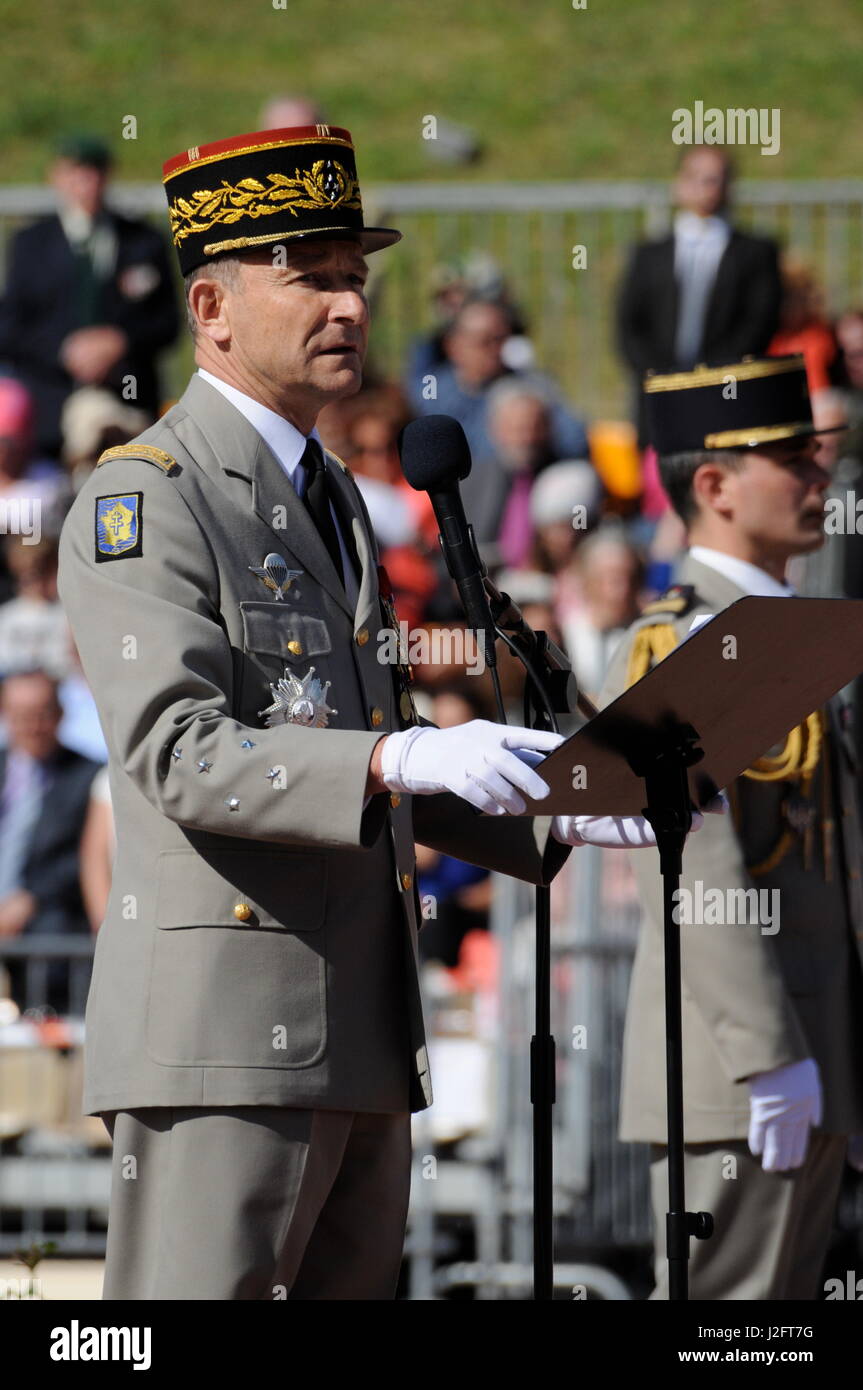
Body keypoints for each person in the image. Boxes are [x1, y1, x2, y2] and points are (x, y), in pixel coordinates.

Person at [57, 123, 668, 1302]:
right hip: (224, 1040)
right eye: (312, 276)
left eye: (356, 277)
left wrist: (559, 808)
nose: (347, 305)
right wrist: (401, 752)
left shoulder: (332, 492)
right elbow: (176, 750)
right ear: (213, 307)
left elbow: (380, 744)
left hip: (360, 1028)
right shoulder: (149, 495)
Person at [600, 354, 863, 1300]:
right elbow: (695, 861)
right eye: (792, 459)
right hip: (737, 1067)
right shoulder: (676, 642)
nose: (819, 478)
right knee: (727, 1326)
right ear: (712, 484)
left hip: (816, 1045)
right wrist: (766, 1054)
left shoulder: (788, 627)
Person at [0, 134, 179, 458]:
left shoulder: (142, 241)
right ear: (55, 176)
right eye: (75, 171)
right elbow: (11, 328)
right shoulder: (31, 244)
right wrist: (65, 350)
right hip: (50, 415)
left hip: (131, 407)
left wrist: (120, 340)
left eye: (95, 171)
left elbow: (168, 323)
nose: (86, 182)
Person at [0, 669, 101, 1012]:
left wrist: (28, 899)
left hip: (48, 919)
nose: (32, 726)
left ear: (60, 714)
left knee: (53, 928)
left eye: (41, 714)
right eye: (21, 716)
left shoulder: (89, 776)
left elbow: (86, 857)